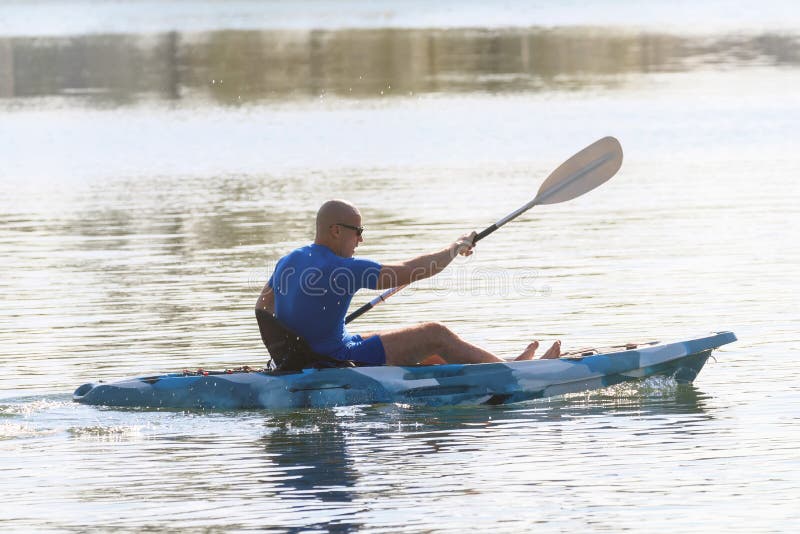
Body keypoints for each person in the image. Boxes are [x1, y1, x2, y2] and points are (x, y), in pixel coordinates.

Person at [255, 199, 561, 366]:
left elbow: (263, 307)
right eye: (357, 231)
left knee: (419, 344)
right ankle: (516, 373)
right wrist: (455, 248)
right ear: (335, 230)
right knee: (434, 333)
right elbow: (416, 269)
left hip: (318, 351)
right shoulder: (342, 269)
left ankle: (498, 364)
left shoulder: (290, 259)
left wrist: (294, 349)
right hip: (336, 357)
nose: (361, 238)